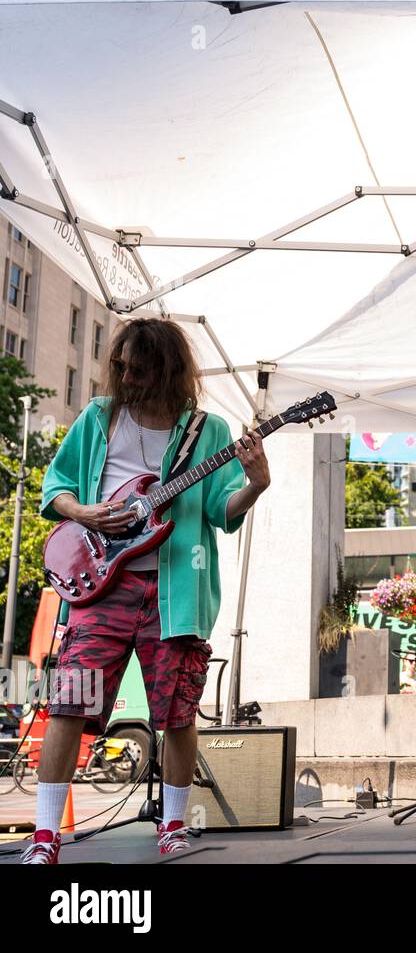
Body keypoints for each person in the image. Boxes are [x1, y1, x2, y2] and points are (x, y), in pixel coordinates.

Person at [22, 318, 269, 864]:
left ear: (168, 370)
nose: (127, 377)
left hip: (175, 591)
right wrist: (84, 510)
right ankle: (45, 837)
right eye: (122, 368)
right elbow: (56, 487)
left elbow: (218, 510)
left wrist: (254, 485)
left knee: (177, 714)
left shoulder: (208, 432)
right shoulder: (98, 418)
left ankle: (173, 825)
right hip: (98, 592)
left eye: (139, 369)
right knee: (69, 705)